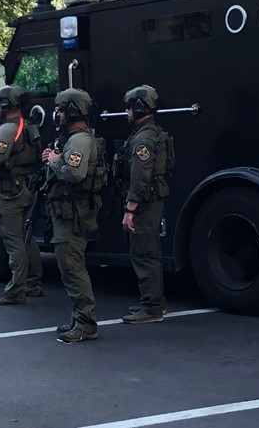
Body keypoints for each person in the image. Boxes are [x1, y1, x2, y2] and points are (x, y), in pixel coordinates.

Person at [45, 88, 105, 344]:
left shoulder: (79, 141)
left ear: (71, 111)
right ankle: (79, 317)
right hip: (67, 213)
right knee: (68, 266)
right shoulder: (73, 139)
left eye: (60, 109)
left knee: (72, 267)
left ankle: (86, 323)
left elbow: (74, 173)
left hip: (74, 215)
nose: (57, 114)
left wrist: (55, 161)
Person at [116, 85, 173, 325]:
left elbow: (140, 176)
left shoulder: (143, 139)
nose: (127, 112)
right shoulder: (151, 133)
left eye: (129, 107)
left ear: (139, 107)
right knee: (148, 251)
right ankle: (151, 301)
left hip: (145, 203)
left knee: (144, 252)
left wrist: (130, 209)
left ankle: (152, 307)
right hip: (151, 200)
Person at [0, 85, 44, 305]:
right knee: (27, 239)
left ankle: (15, 290)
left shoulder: (7, 130)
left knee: (13, 241)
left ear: (6, 104)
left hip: (11, 192)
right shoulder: (28, 127)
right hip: (26, 187)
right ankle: (34, 283)